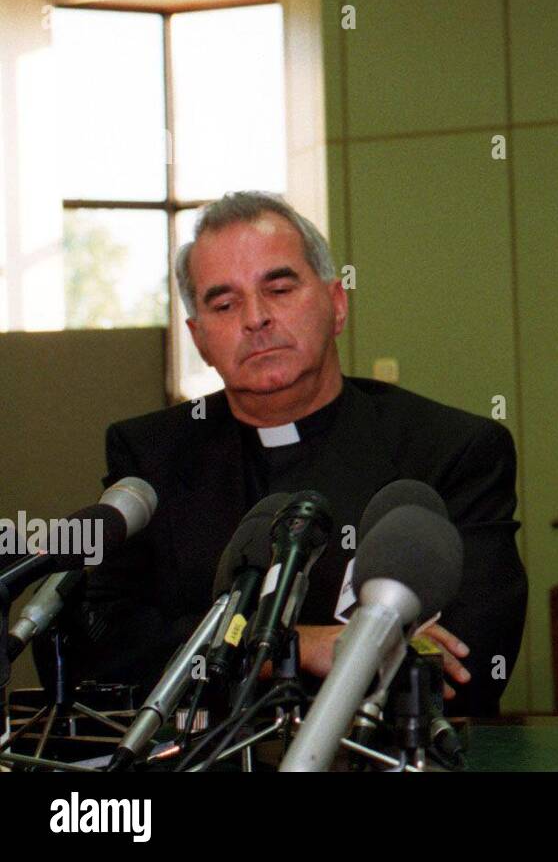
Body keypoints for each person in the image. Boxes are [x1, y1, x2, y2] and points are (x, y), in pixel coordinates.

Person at [80, 192, 527, 716]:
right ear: (199, 340)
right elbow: (101, 651)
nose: (256, 319)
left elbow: (469, 668)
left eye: (279, 288)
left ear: (337, 304)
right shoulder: (152, 454)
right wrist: (297, 647)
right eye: (224, 304)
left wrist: (227, 653)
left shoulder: (451, 450)